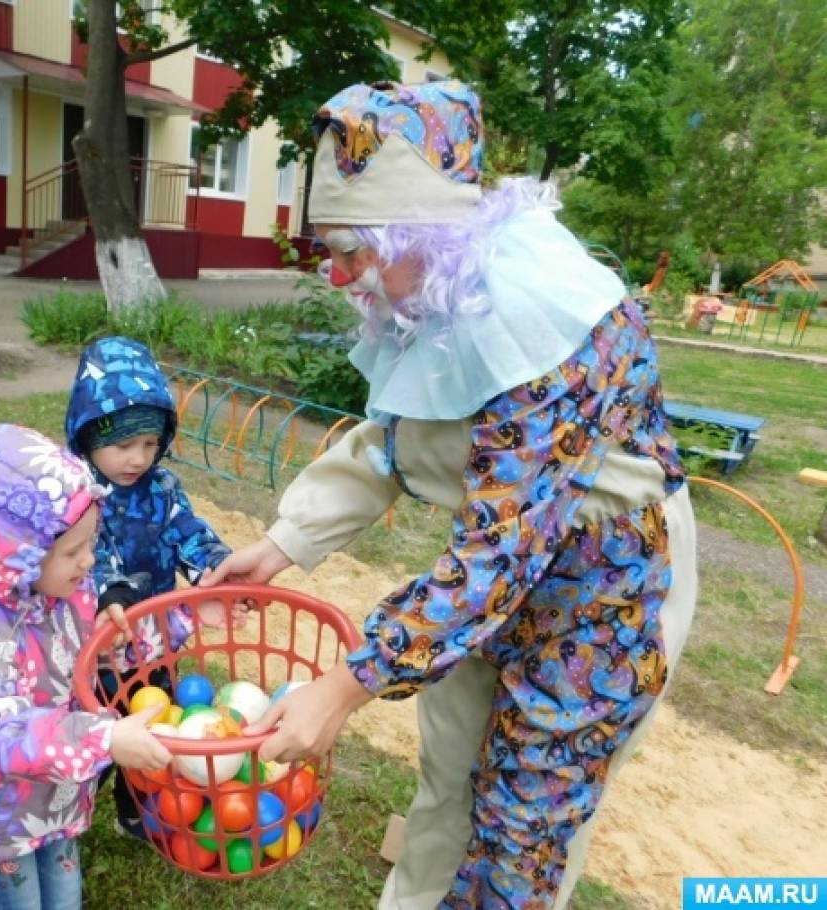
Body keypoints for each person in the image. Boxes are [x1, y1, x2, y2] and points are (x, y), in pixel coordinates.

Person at [203, 81, 698, 909]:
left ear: (421, 232)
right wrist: (285, 542)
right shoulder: (435, 289)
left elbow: (497, 551)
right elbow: (403, 438)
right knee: (451, 778)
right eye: (327, 249)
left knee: (524, 823)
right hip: (491, 578)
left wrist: (344, 686)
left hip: (606, 593)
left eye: (352, 249)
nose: (335, 275)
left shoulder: (547, 321)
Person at [0, 424, 174, 910]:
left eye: (91, 544)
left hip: (53, 800)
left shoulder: (68, 593)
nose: (89, 563)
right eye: (72, 552)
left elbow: (105, 650)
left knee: (63, 897)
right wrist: (104, 739)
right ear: (15, 557)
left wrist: (166, 625)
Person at [64, 335, 242, 839]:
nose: (137, 458)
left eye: (150, 443)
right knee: (95, 733)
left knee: (153, 728)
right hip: (97, 646)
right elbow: (90, 554)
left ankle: (134, 809)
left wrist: (216, 566)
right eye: (123, 445)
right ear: (87, 434)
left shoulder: (161, 487)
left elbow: (185, 529)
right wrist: (113, 592)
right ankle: (74, 813)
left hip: (154, 642)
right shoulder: (78, 491)